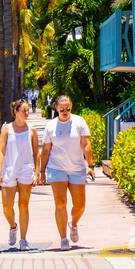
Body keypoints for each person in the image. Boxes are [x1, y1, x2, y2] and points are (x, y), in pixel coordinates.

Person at [39, 93, 94, 250]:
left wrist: (90, 164)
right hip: (57, 169)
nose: (65, 111)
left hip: (77, 169)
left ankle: (73, 223)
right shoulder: (51, 126)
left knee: (80, 205)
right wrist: (42, 171)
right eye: (62, 108)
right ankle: (63, 238)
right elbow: (46, 150)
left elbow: (86, 144)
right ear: (56, 108)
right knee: (60, 204)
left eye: (68, 109)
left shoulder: (79, 121)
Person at [0, 98, 39, 250]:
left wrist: (37, 172)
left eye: (28, 110)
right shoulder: (6, 129)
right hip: (9, 169)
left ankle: (24, 240)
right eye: (24, 110)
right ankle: (13, 226)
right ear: (15, 112)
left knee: (23, 205)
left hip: (26, 169)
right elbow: (1, 150)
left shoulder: (32, 130)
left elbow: (36, 153)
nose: (27, 112)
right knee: (7, 206)